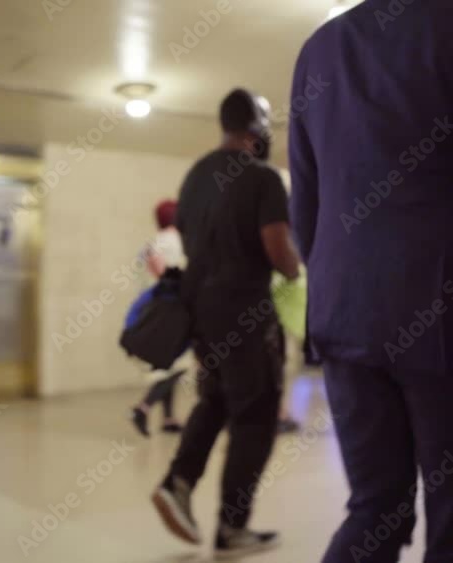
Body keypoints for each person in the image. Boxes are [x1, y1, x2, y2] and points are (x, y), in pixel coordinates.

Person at [289, 2, 453, 561]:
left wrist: (339, 291)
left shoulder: (318, 50)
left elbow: (306, 206)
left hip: (345, 319)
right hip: (451, 322)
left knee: (374, 508)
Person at [151, 88, 301, 558]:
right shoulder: (263, 179)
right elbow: (279, 253)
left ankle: (178, 482)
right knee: (256, 416)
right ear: (257, 128)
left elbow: (195, 242)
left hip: (202, 313)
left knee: (215, 399)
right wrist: (296, 266)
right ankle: (232, 527)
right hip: (247, 314)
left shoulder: (194, 177)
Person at [130, 200, 192, 436]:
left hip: (151, 308)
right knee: (180, 365)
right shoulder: (176, 242)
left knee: (169, 364)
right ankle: (143, 408)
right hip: (173, 310)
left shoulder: (152, 244)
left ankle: (168, 418)